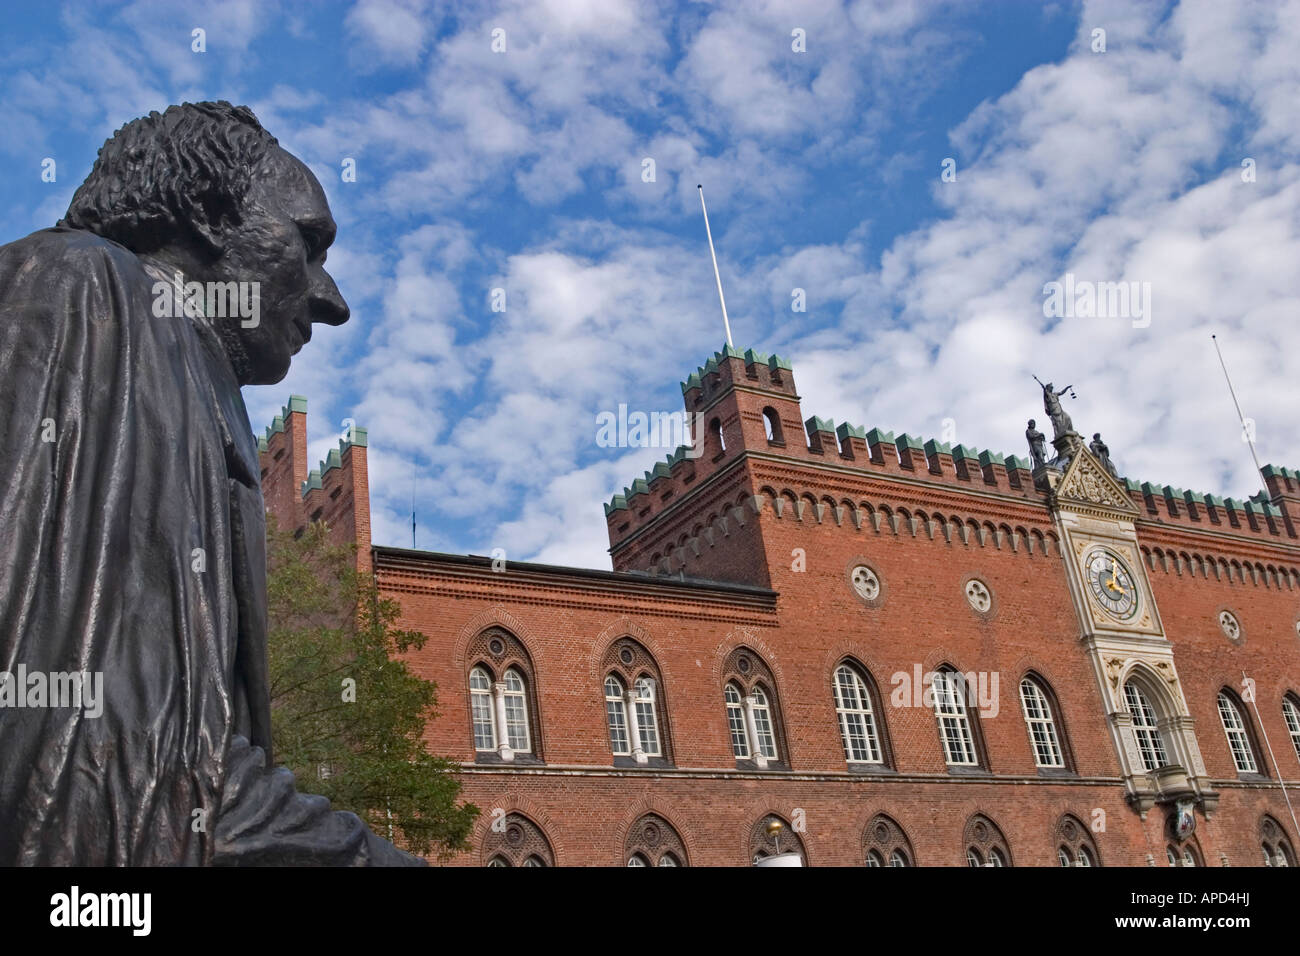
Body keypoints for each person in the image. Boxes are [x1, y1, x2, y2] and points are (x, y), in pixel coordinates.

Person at [0, 102, 420, 865]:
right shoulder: (90, 295)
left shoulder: (177, 362)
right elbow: (115, 772)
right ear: (209, 212)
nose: (331, 301)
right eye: (308, 244)